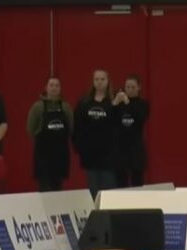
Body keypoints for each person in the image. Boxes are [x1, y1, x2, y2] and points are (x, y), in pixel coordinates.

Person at [72, 69, 116, 199]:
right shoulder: (85, 102)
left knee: (109, 189)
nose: (99, 82)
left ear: (108, 81)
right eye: (97, 79)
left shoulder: (112, 102)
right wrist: (79, 146)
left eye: (102, 79)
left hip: (109, 155)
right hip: (90, 154)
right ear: (93, 82)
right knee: (94, 189)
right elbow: (77, 125)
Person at [26, 77, 73, 192]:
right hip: (43, 156)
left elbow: (71, 128)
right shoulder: (37, 107)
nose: (54, 88)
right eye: (51, 85)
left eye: (57, 85)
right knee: (45, 191)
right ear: (46, 88)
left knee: (58, 191)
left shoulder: (66, 107)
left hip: (60, 156)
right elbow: (30, 129)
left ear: (60, 89)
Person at [113, 75, 149, 187]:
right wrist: (114, 103)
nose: (130, 89)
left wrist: (127, 102)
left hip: (135, 147)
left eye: (133, 87)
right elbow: (110, 119)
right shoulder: (119, 103)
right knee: (120, 181)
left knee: (137, 180)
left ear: (139, 87)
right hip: (120, 148)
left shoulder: (143, 104)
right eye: (127, 87)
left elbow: (139, 117)